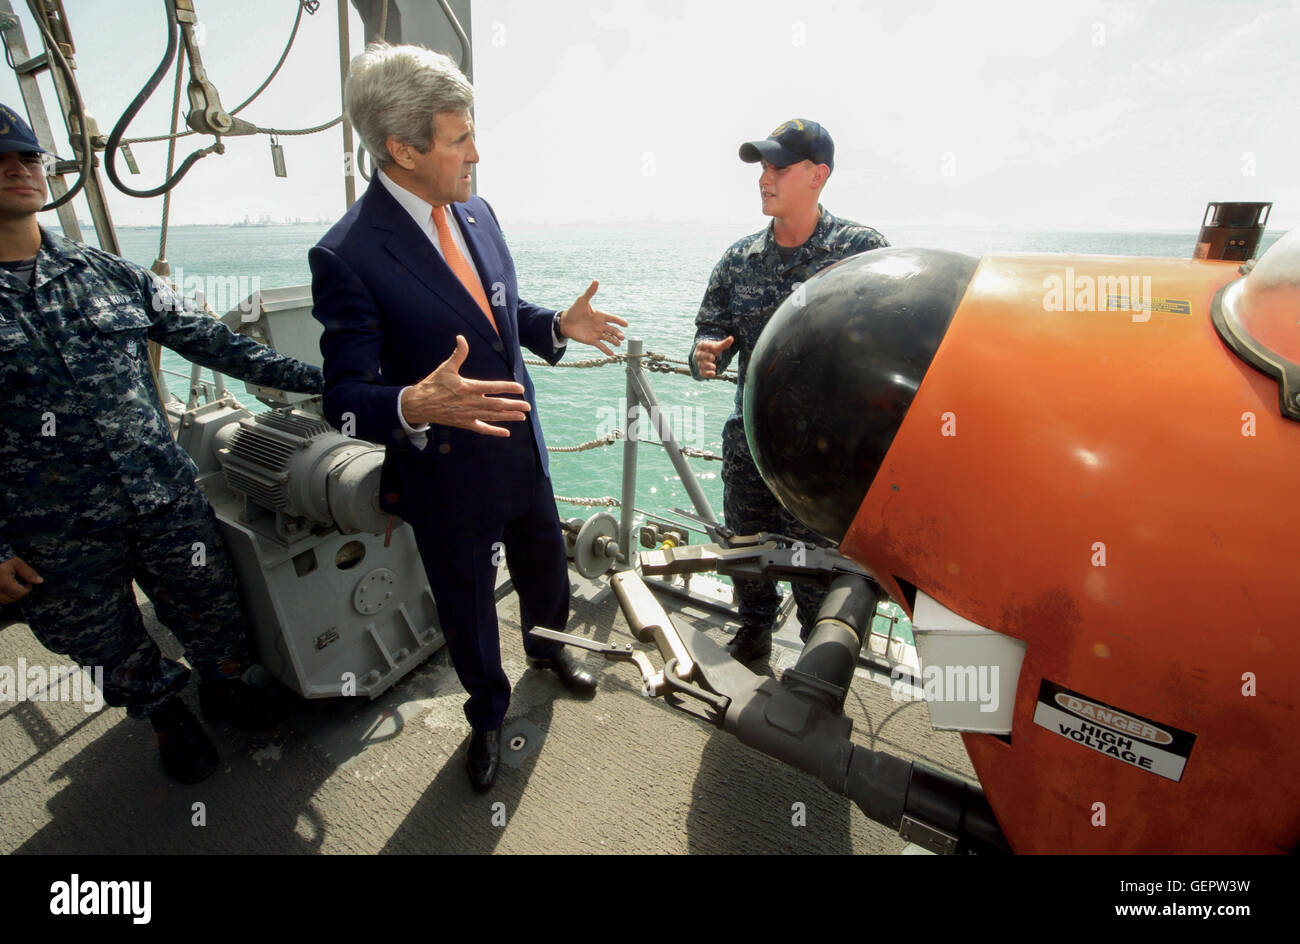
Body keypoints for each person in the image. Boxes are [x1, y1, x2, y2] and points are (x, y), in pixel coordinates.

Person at [310, 43, 627, 793]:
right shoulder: (347, 254)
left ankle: (549, 650)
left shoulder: (477, 211)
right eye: (459, 140)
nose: (476, 154)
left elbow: (497, 314)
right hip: (445, 473)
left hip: (522, 453)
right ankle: (488, 715)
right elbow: (344, 397)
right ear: (402, 148)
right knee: (468, 608)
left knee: (546, 566)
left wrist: (554, 327)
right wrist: (412, 404)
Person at [0, 104, 325, 783]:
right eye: (0, 161)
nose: (19, 169)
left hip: (162, 496)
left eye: (28, 157)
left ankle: (225, 686)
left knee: (211, 602)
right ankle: (163, 714)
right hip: (50, 530)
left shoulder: (105, 274)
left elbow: (218, 345)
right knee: (102, 640)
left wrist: (335, 383)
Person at [690, 119, 888, 664]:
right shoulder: (738, 259)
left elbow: (889, 341)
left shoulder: (860, 251)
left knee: (815, 570)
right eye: (762, 168)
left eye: (779, 167)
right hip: (751, 444)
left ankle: (816, 664)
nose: (764, 178)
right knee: (746, 550)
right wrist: (706, 352)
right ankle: (751, 632)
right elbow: (711, 327)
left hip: (822, 459)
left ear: (818, 176)